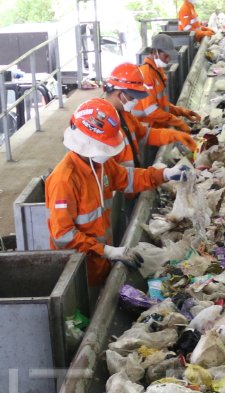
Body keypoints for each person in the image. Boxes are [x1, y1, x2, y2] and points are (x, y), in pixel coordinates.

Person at [45, 99, 189, 286]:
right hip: (77, 273)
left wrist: (165, 174)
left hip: (100, 260)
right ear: (86, 142)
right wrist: (107, 251)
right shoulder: (64, 180)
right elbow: (63, 235)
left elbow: (128, 179)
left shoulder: (100, 165)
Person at [104, 62, 196, 174]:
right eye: (132, 97)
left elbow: (144, 134)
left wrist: (174, 135)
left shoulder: (124, 114)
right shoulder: (100, 124)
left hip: (132, 182)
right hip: (121, 187)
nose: (136, 101)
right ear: (119, 94)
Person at [133, 34, 203, 133]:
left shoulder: (157, 71)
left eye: (169, 56)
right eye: (166, 56)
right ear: (155, 52)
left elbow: (162, 105)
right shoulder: (146, 74)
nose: (168, 59)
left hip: (158, 126)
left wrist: (181, 111)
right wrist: (177, 122)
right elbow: (152, 111)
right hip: (148, 131)